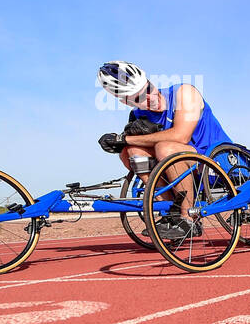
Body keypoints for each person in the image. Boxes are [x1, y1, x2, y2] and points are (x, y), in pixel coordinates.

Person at [96, 61, 233, 240]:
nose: (150, 98)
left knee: (165, 147)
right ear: (126, 102)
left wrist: (125, 138)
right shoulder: (138, 116)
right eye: (138, 99)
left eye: (148, 89)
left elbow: (181, 136)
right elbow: (131, 159)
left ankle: (189, 218)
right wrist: (120, 145)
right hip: (183, 167)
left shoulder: (184, 93)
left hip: (217, 161)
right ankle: (171, 211)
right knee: (132, 151)